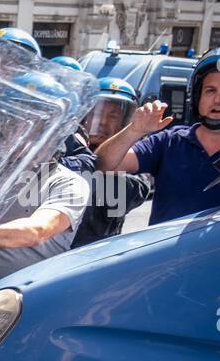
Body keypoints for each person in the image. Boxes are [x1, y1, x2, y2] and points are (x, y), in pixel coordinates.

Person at [95, 42, 220, 225]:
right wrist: (134, 130)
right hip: (168, 253)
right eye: (210, 90)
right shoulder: (169, 141)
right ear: (197, 96)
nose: (218, 99)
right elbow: (103, 165)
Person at [0, 72, 91, 284]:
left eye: (38, 127)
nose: (22, 134)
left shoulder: (68, 183)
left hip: (22, 299)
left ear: (56, 133)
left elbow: (36, 231)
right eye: (13, 124)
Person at [60, 77, 152, 247]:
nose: (102, 121)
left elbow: (125, 191)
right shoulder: (65, 146)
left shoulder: (133, 158)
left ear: (125, 121)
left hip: (96, 253)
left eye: (113, 116)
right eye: (96, 113)